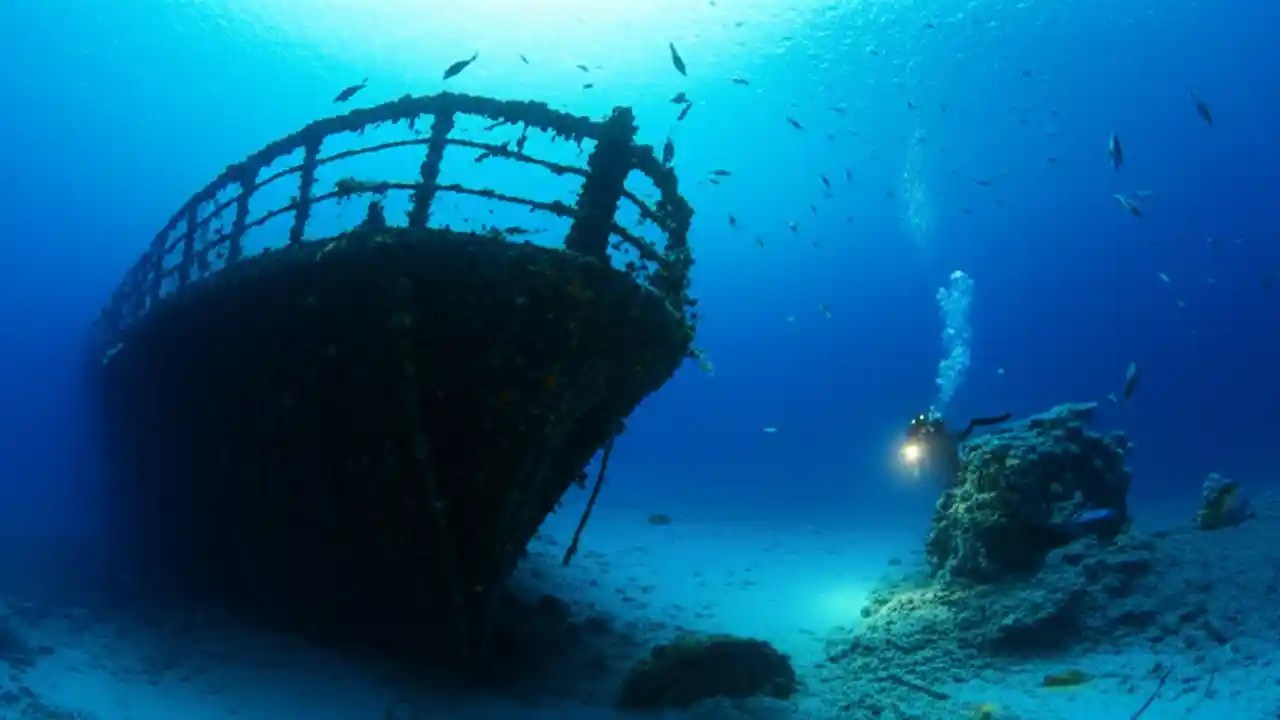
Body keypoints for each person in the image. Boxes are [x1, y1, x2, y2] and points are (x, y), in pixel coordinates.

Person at [899, 409, 1012, 484]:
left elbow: (943, 437)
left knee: (955, 467)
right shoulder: (915, 433)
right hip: (944, 449)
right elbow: (909, 449)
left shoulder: (931, 427)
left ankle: (996, 423)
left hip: (948, 444)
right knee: (951, 471)